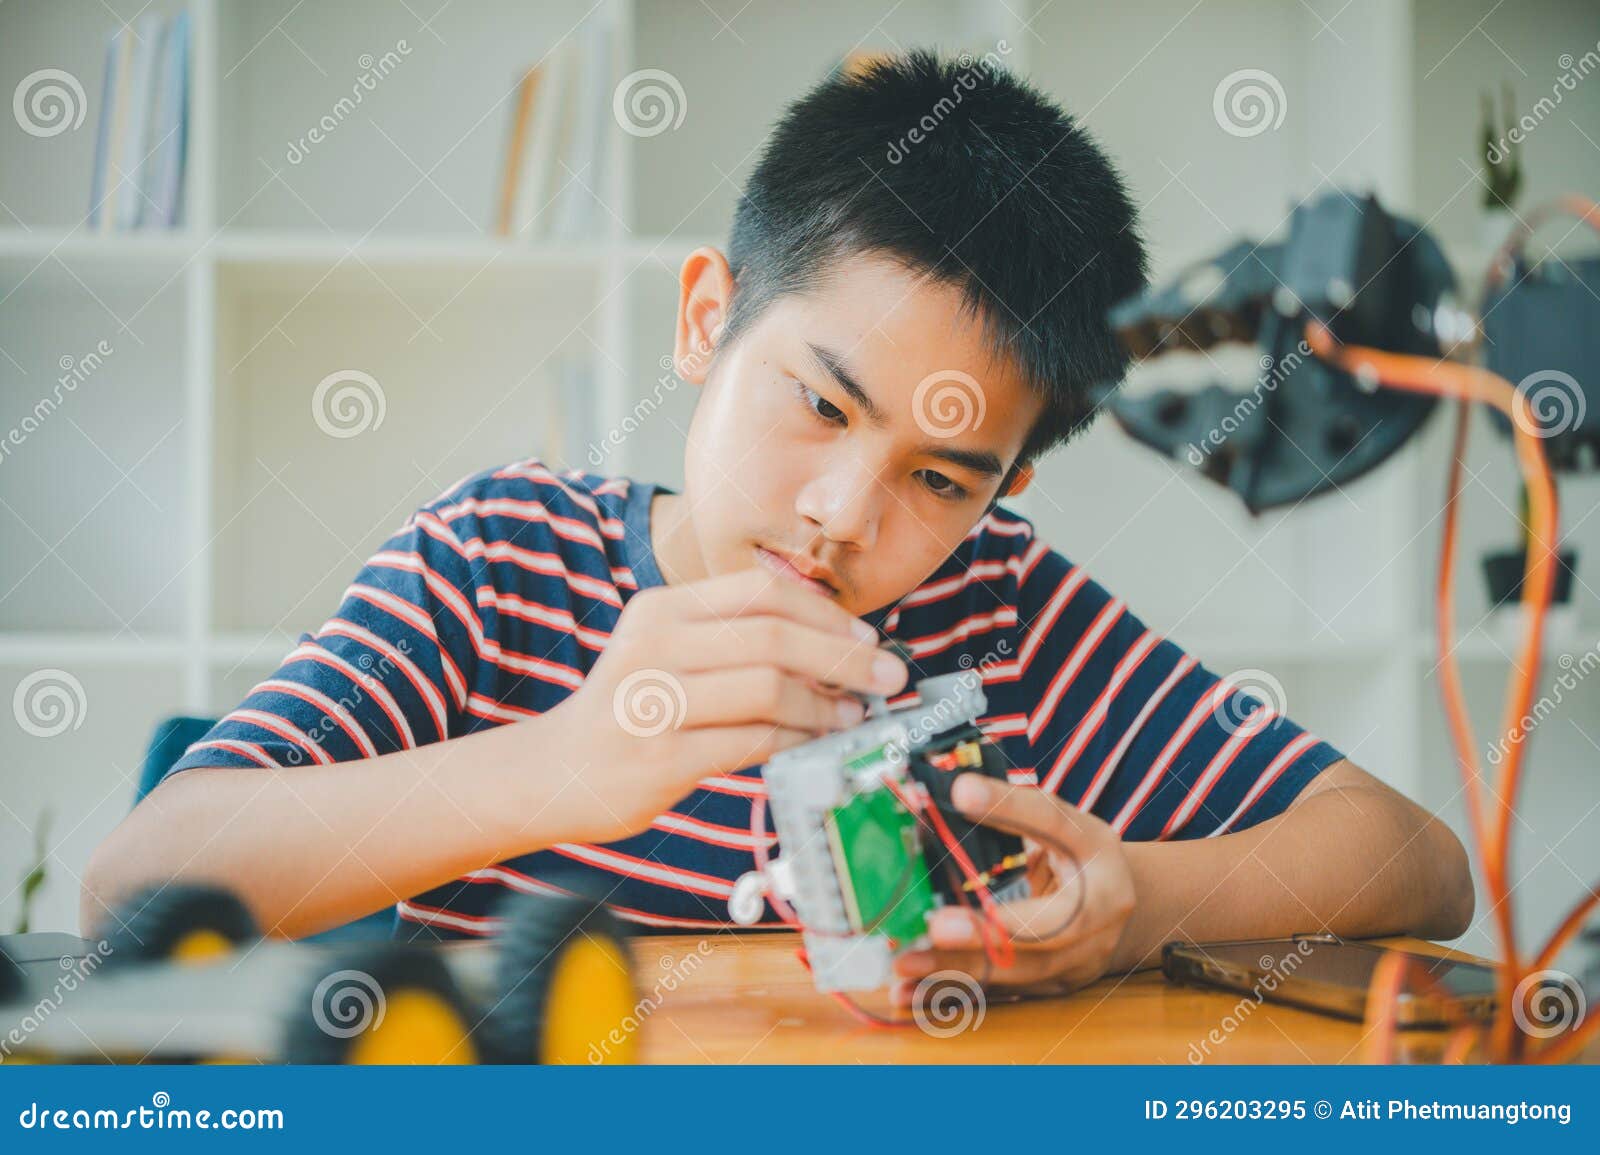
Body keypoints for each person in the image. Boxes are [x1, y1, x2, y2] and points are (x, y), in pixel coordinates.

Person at [85, 52, 1472, 1004]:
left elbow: (1419, 861)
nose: (843, 513)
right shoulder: (499, 559)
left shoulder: (1003, 619)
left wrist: (1144, 901)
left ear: (1003, 495)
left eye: (942, 479)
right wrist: (573, 760)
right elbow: (131, 887)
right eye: (818, 402)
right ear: (706, 320)